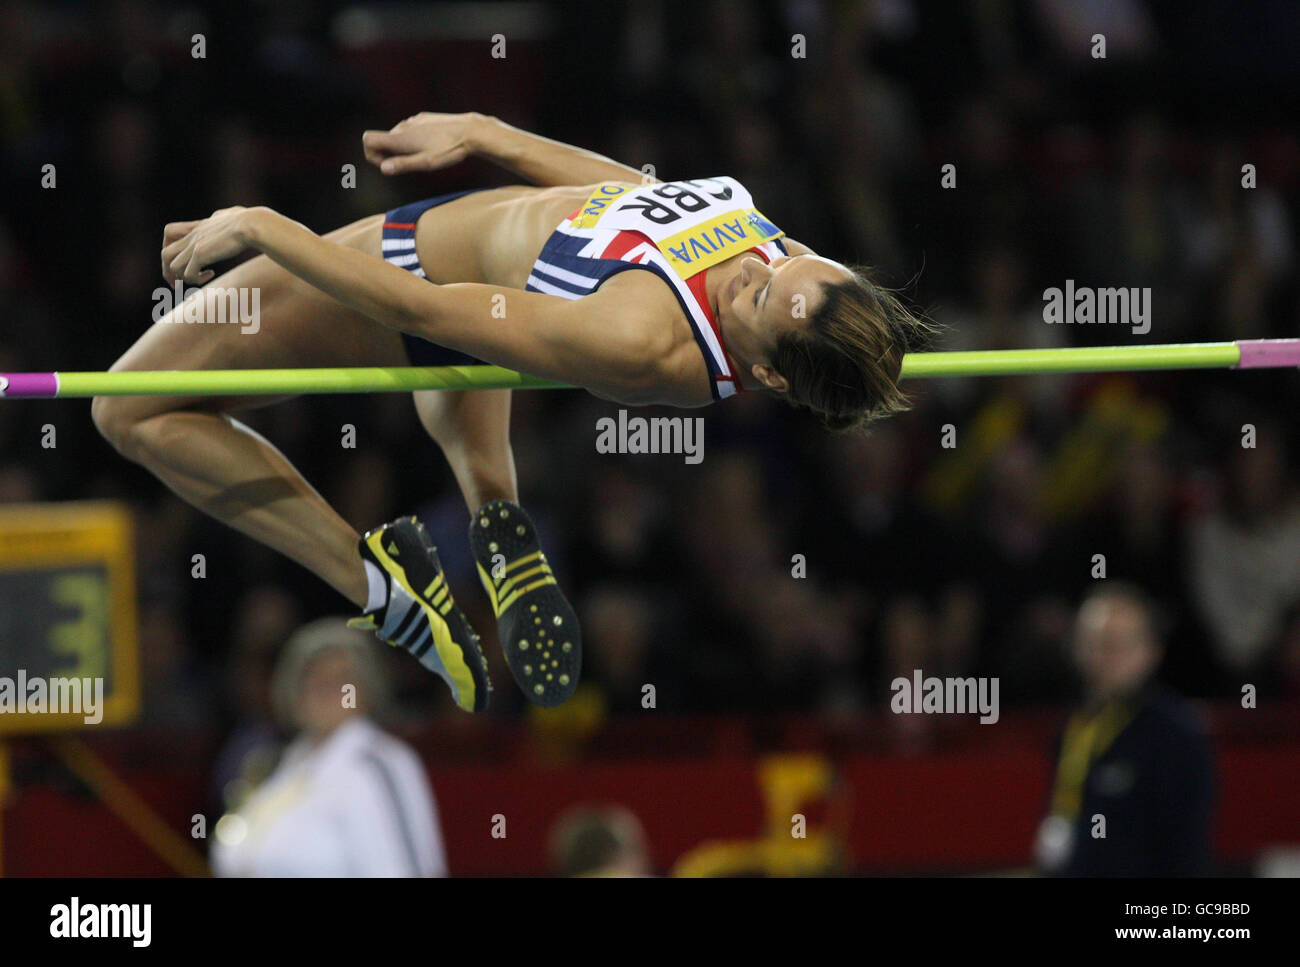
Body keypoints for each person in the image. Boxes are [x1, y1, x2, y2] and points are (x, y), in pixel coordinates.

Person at [91, 112, 934, 713]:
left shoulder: (642, 336)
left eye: (762, 293)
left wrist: (266, 226)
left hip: (412, 272)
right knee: (460, 363)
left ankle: (379, 587)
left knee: (129, 410)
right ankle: (495, 510)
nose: (763, 263)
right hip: (489, 300)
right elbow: (629, 195)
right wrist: (490, 135)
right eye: (790, 262)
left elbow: (429, 311)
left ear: (769, 376)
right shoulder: (790, 264)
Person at [211, 618, 448, 877]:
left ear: (368, 689)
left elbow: (407, 871)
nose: (323, 690)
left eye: (340, 679)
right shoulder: (280, 765)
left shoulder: (379, 761)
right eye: (311, 677)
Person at [1035, 584, 1215, 876]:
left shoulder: (1175, 733)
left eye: (1118, 644)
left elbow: (1187, 848)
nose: (1105, 657)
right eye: (1094, 643)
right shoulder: (1073, 721)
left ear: (1150, 650)